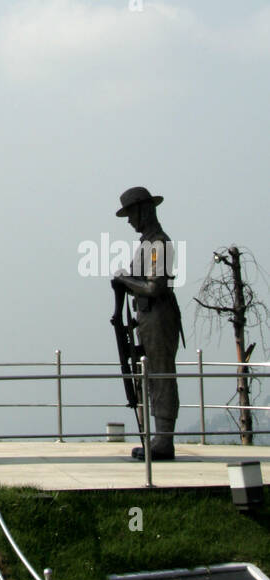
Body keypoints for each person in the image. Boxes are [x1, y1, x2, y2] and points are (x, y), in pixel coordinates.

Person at [111, 186, 183, 460]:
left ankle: (165, 439)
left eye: (131, 214)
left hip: (158, 314)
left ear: (143, 210)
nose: (129, 221)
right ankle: (160, 436)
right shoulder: (148, 244)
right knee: (152, 373)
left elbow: (154, 287)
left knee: (162, 374)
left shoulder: (158, 244)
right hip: (146, 316)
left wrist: (123, 279)